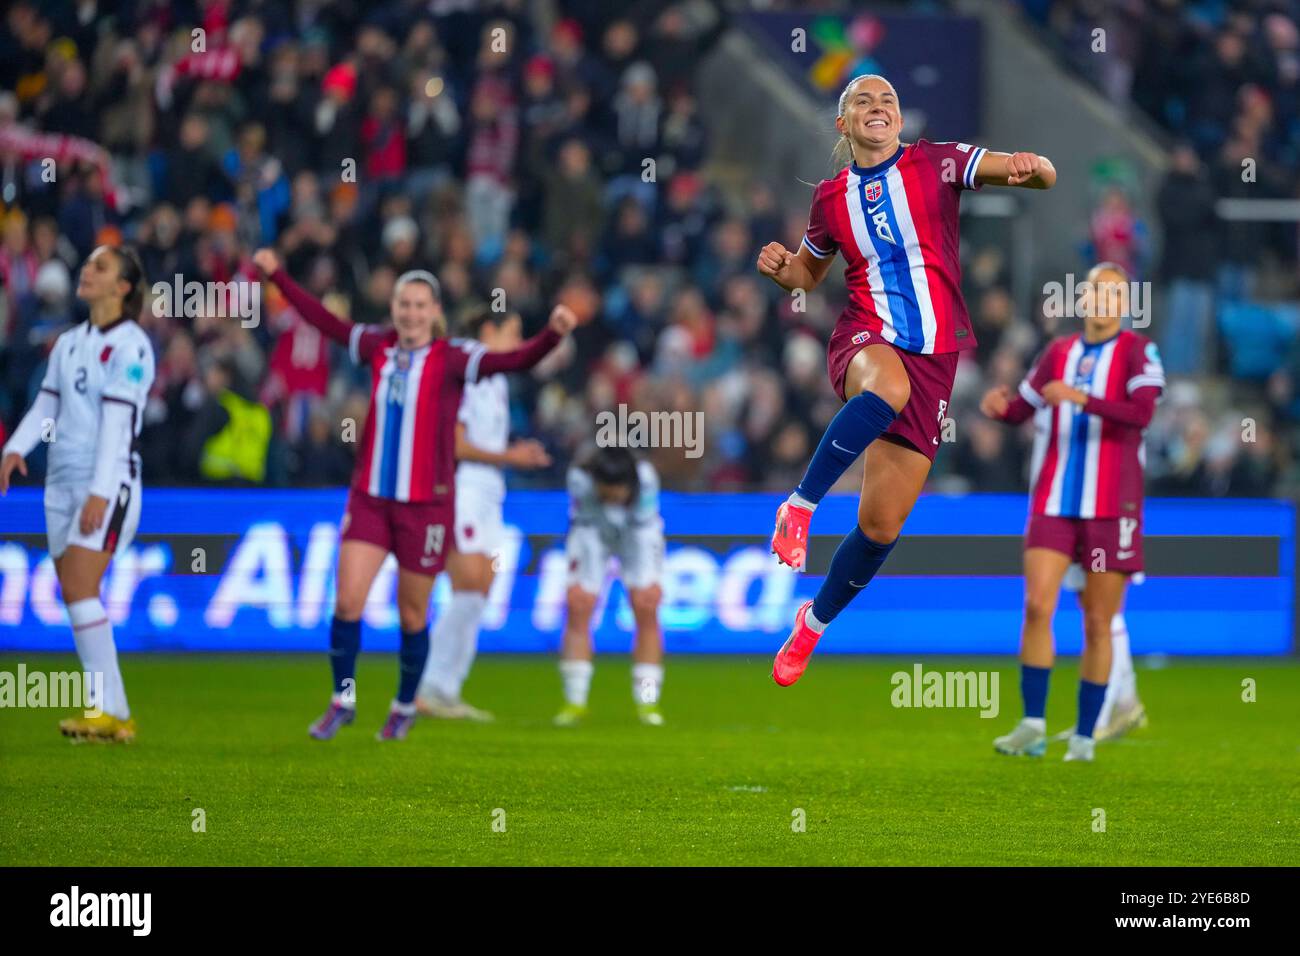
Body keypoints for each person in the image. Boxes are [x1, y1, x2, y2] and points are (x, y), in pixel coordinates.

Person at [756, 73, 1056, 686]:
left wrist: (1035, 166)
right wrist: (783, 271)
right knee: (885, 391)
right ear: (844, 124)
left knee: (881, 526)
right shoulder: (832, 197)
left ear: (899, 119)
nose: (877, 106)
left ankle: (811, 623)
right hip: (867, 337)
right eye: (862, 99)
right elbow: (807, 279)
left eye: (887, 99)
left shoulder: (940, 163)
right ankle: (800, 505)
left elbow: (1042, 175)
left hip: (935, 360)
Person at [251, 248, 576, 741]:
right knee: (347, 603)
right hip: (371, 499)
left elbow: (516, 359)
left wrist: (552, 333)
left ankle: (404, 704)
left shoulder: (454, 360)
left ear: (435, 312)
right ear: (394, 308)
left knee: (412, 613)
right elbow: (321, 319)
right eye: (404, 304)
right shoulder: (376, 346)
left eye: (421, 305)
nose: (411, 313)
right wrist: (278, 276)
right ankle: (344, 699)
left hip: (426, 505)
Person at [980, 262, 1164, 761]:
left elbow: (1141, 414)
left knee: (1098, 621)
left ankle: (1084, 735)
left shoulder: (1138, 352)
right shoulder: (1058, 352)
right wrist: (1000, 408)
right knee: (1038, 605)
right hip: (1055, 502)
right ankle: (1032, 724)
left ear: (1124, 305)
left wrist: (1081, 398)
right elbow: (1025, 405)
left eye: (1113, 294)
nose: (1102, 301)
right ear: (1082, 300)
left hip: (1110, 507)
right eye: (1095, 292)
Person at [1, 245, 156, 742]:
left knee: (79, 588)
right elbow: (47, 403)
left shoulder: (131, 346)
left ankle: (107, 710)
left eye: (100, 267)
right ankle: (114, 713)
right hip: (59, 481)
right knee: (75, 594)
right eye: (87, 264)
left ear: (123, 287)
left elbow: (117, 423)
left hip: (105, 482)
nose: (86, 272)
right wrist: (15, 448)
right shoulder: (69, 343)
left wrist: (100, 491)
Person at [416, 309, 553, 721]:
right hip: (465, 486)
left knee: (480, 587)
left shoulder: (495, 380)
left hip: (490, 489)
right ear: (487, 330)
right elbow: (454, 444)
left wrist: (511, 454)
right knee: (470, 580)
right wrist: (511, 456)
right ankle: (425, 684)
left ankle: (446, 687)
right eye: (512, 332)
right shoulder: (468, 371)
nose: (517, 343)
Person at [556, 445, 665, 727]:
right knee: (579, 604)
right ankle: (575, 702)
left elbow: (644, 533)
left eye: (618, 492)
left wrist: (652, 579)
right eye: (606, 492)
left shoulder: (646, 478)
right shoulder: (579, 477)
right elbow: (581, 526)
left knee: (646, 606)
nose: (613, 498)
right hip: (591, 529)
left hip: (638, 532)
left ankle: (647, 702)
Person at [1053, 564, 1147, 743]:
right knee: (1091, 603)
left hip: (1103, 541)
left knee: (1103, 608)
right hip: (1080, 539)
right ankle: (1127, 703)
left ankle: (1098, 718)